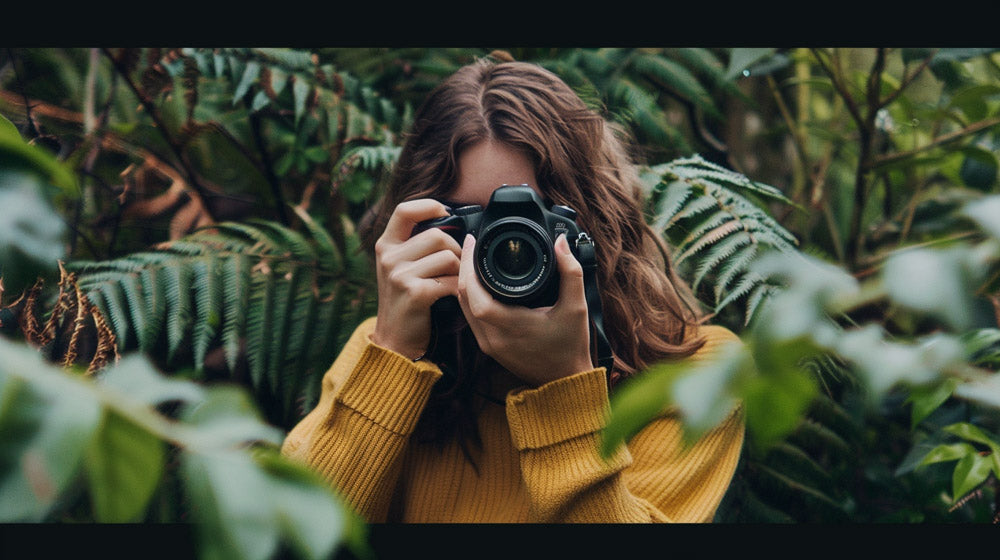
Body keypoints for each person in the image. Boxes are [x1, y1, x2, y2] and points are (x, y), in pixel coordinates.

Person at [281, 53, 745, 523]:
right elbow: (294, 535)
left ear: (596, 223)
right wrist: (394, 354)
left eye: (531, 222)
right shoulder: (383, 352)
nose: (503, 247)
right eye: (471, 222)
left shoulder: (696, 375)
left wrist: (564, 386)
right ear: (418, 228)